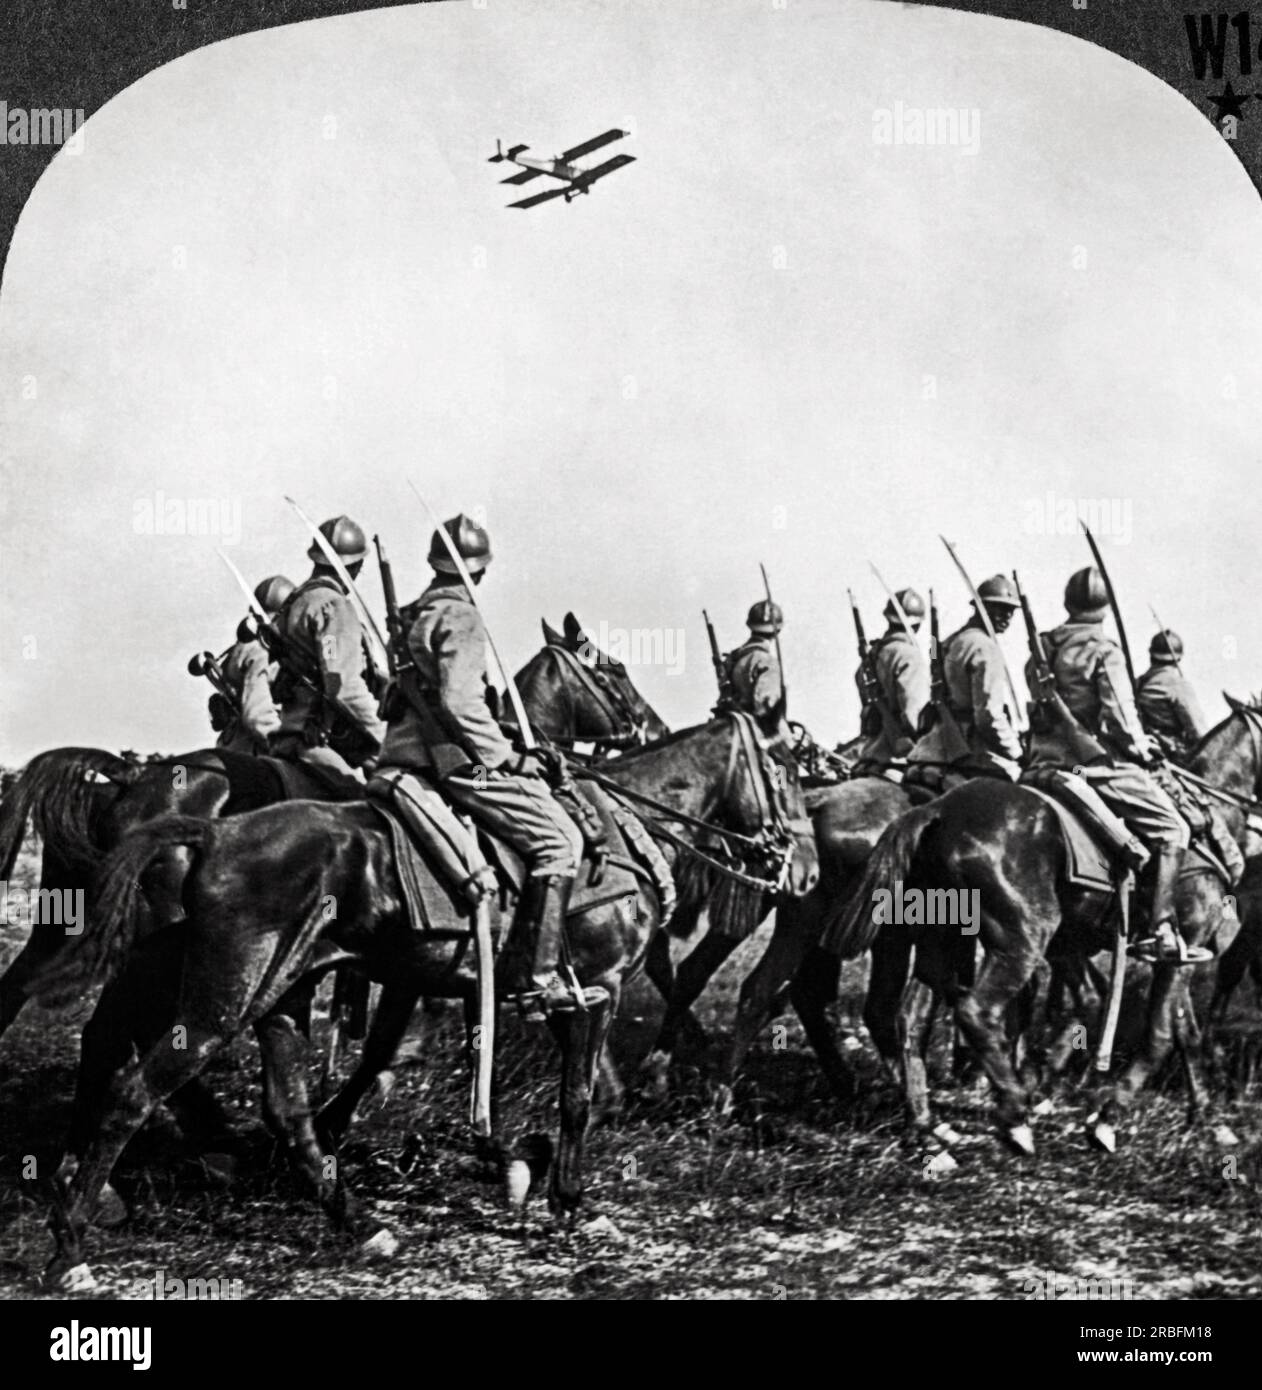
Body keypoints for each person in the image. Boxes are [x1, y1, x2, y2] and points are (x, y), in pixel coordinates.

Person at [372, 513, 606, 1020]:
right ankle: (537, 983)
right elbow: (460, 704)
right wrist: (508, 757)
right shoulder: (461, 617)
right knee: (559, 841)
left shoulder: (414, 615)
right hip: (458, 766)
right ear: (478, 572)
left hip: (405, 758)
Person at [1038, 567, 1193, 964]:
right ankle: (1159, 929)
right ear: (1105, 609)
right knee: (1175, 830)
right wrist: (1142, 748)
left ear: (1067, 604)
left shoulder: (1042, 647)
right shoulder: (1105, 651)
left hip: (1041, 760)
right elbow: (1122, 720)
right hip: (1092, 765)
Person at [270, 515, 384, 795]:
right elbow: (342, 686)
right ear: (355, 566)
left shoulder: (294, 602)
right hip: (319, 741)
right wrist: (385, 735)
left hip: (289, 734)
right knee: (379, 804)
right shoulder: (332, 605)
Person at [941, 574, 1023, 780]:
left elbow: (932, 651)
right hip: (973, 751)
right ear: (981, 607)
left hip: (939, 746)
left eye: (1011, 611)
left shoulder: (949, 641)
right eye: (1000, 608)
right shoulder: (986, 647)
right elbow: (988, 716)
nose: (1007, 617)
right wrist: (1018, 752)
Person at [854, 587, 930, 777]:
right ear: (918, 625)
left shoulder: (871, 657)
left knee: (782, 768)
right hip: (897, 760)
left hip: (869, 757)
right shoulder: (909, 655)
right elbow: (915, 715)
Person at [214, 574, 293, 755]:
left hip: (231, 742)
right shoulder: (261, 650)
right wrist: (284, 745)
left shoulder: (242, 646)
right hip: (255, 750)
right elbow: (257, 715)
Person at [1136, 629, 1206, 765]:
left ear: (1151, 654)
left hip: (1146, 749)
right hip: (1172, 756)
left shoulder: (1137, 683)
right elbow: (1198, 732)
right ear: (1178, 658)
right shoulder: (1178, 685)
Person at [725, 600, 788, 734]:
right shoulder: (767, 661)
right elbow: (765, 705)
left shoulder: (734, 658)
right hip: (757, 728)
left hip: (733, 720)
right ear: (777, 631)